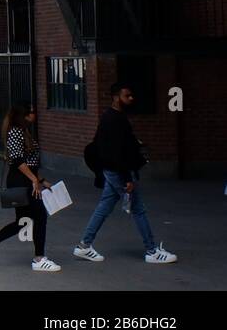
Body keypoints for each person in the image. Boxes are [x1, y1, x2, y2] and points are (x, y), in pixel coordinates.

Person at [74, 84, 178, 264]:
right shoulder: (114, 119)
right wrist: (127, 178)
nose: (131, 98)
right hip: (118, 172)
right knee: (138, 209)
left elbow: (108, 147)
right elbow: (115, 152)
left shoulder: (113, 117)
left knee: (104, 206)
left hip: (113, 170)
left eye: (131, 95)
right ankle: (152, 251)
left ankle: (84, 245)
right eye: (127, 96)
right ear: (115, 97)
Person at [0, 103, 61, 272]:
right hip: (22, 182)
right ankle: (39, 258)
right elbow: (18, 160)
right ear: (24, 116)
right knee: (40, 216)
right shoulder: (15, 131)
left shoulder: (24, 131)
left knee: (23, 221)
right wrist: (34, 180)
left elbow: (29, 163)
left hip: (27, 180)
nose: (34, 114)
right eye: (31, 112)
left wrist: (41, 180)